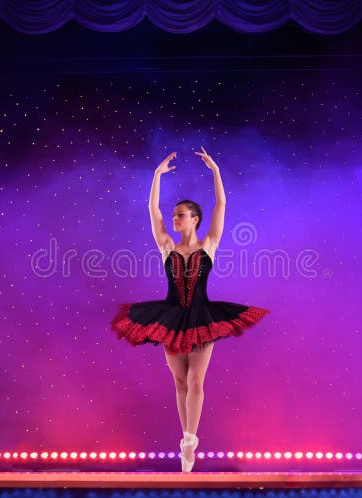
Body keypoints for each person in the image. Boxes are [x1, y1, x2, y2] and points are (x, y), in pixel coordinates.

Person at [110, 146, 270, 472]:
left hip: (201, 317)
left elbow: (222, 205)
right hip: (170, 318)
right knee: (180, 384)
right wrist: (156, 175)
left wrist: (215, 170)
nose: (174, 217)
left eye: (180, 214)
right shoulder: (166, 246)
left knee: (196, 382)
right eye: (175, 214)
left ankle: (190, 439)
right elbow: (152, 209)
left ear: (194, 219)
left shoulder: (209, 244)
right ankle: (185, 441)